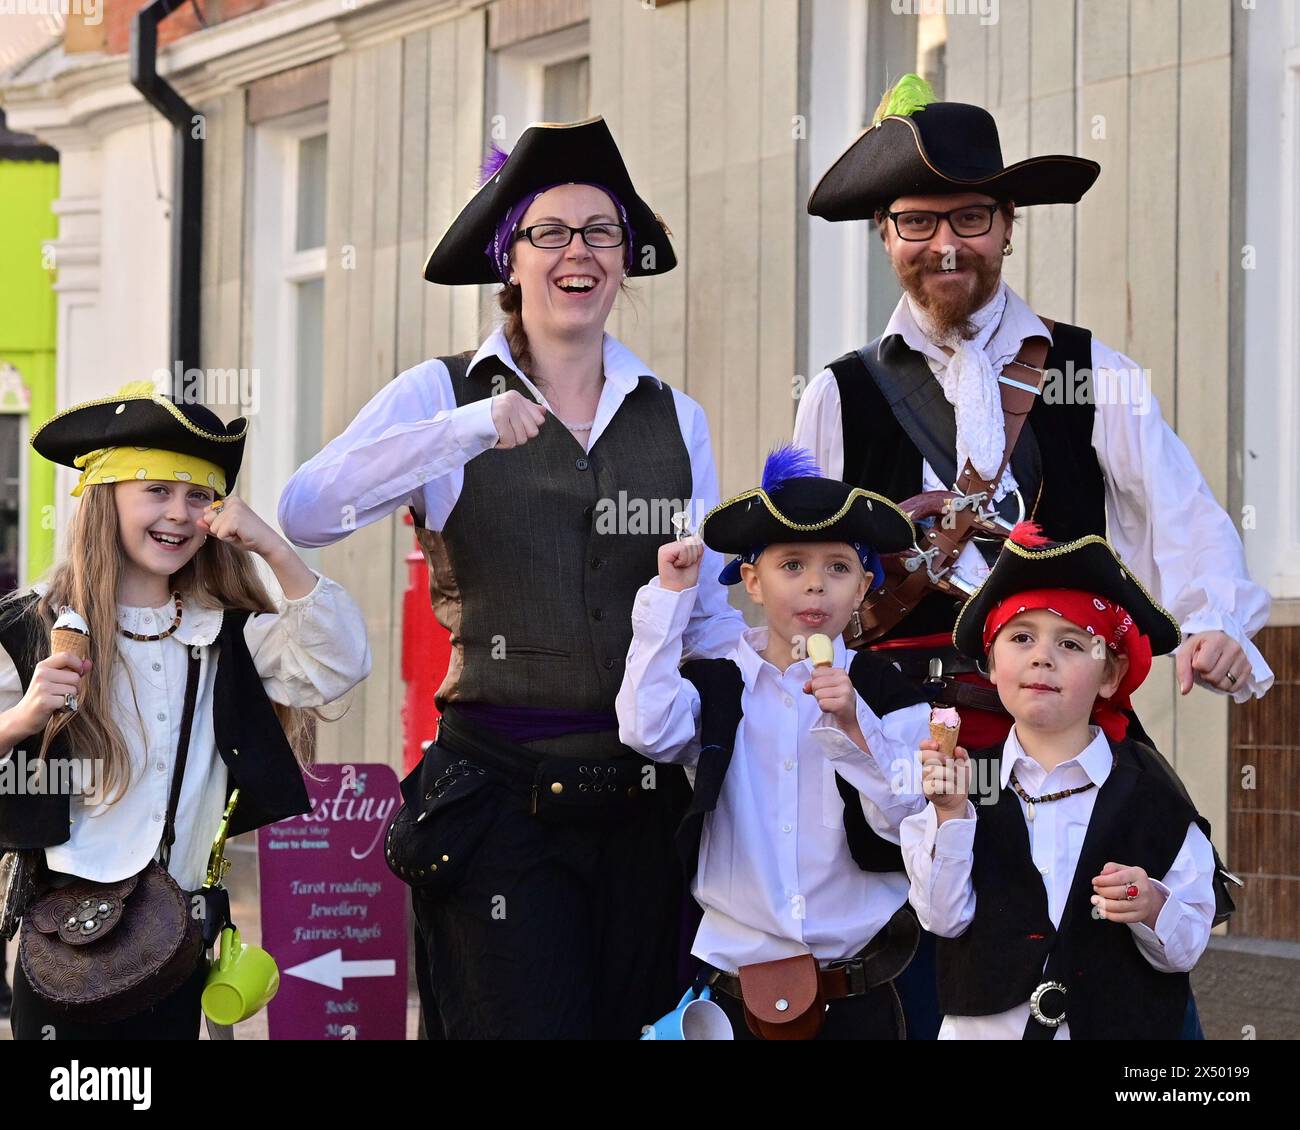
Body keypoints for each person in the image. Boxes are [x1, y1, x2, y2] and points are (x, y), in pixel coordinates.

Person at [795, 73, 1264, 1037]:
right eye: (917, 222)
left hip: (1072, 743)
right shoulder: (837, 397)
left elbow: (1183, 518)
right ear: (885, 234)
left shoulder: (1096, 373)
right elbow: (806, 583)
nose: (946, 245)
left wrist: (1215, 621)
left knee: (1130, 1014)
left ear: (1008, 226)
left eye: (971, 218)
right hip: (911, 761)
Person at [279, 117, 745, 1039]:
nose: (579, 252)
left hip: (643, 812)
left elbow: (708, 621)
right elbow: (307, 510)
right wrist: (466, 431)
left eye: (602, 231)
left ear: (625, 258)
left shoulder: (675, 417)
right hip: (498, 809)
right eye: (551, 232)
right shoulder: (440, 393)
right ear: (512, 259)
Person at [0, 381, 371, 1039]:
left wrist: (274, 548)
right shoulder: (30, 627)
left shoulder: (227, 634)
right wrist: (24, 719)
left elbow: (339, 661)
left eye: (199, 495)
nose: (178, 513)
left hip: (176, 940)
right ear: (105, 498)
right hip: (61, 945)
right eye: (157, 489)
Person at [618, 445, 931, 1039]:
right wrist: (671, 594)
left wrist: (855, 730)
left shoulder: (889, 695)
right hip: (737, 992)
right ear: (752, 582)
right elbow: (646, 727)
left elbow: (909, 819)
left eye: (838, 568)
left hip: (861, 986)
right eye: (792, 566)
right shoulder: (719, 686)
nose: (815, 585)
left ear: (863, 586)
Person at [900, 521, 1215, 1039]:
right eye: (1021, 637)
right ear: (990, 663)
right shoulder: (965, 782)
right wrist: (951, 815)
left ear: (1110, 675)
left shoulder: (1153, 796)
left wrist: (1153, 906)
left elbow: (1185, 951)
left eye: (1072, 643)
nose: (1042, 656)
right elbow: (943, 918)